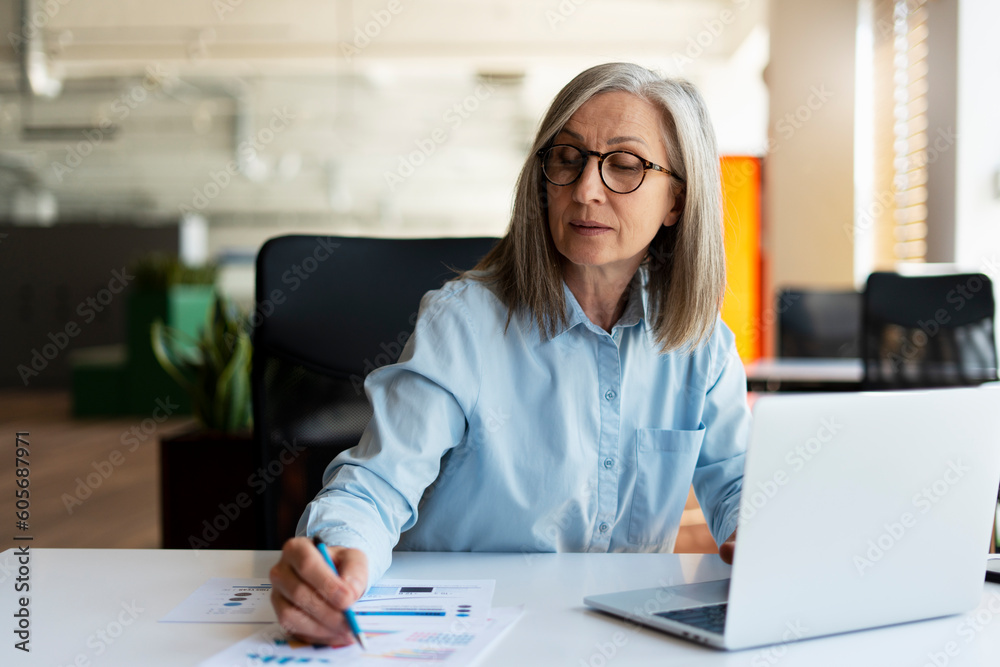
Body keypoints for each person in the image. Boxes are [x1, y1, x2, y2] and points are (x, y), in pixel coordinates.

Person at [269, 62, 749, 647]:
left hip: (618, 635)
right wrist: (337, 555)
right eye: (567, 159)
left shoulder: (700, 342)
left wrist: (759, 529)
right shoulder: (464, 323)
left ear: (677, 199)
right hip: (466, 633)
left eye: (624, 165)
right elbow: (377, 486)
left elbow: (737, 483)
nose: (585, 189)